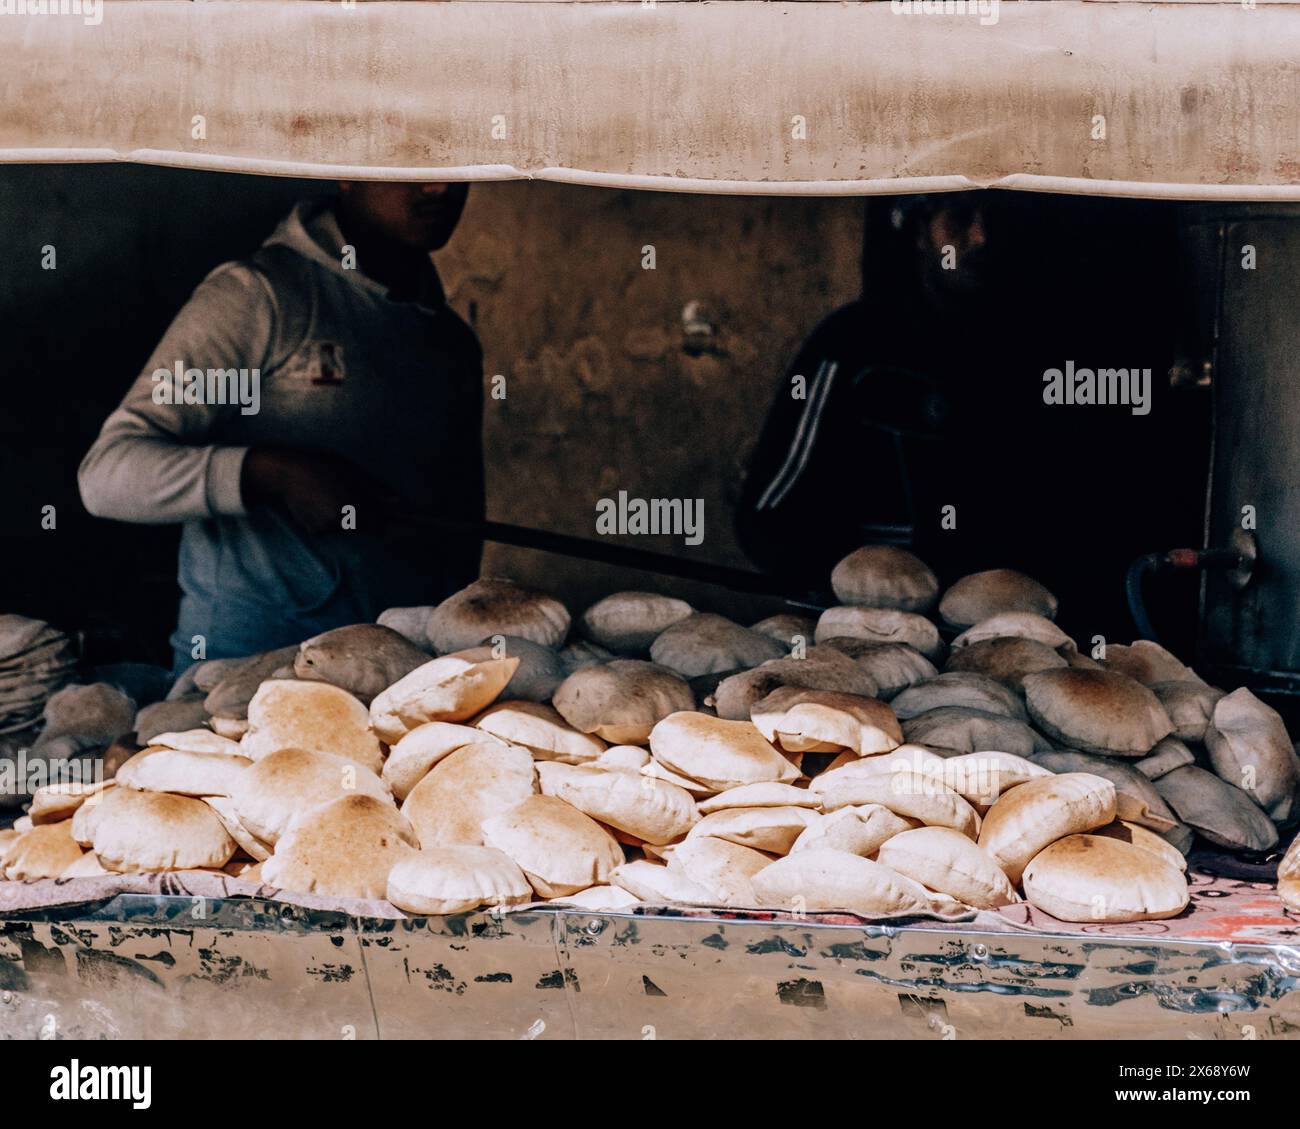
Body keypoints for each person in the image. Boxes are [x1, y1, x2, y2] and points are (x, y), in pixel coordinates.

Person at [737, 192, 1209, 648]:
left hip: (1015, 645)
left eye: (997, 219)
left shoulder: (1042, 354)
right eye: (960, 218)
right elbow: (767, 519)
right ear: (920, 232)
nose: (982, 238)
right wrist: (867, 586)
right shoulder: (855, 348)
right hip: (876, 644)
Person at [79, 182, 484, 669]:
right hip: (242, 674)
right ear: (346, 167)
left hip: (396, 676)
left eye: (457, 162)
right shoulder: (260, 296)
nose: (438, 185)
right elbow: (106, 477)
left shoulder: (449, 343)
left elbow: (460, 526)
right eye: (413, 157)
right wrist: (272, 473)